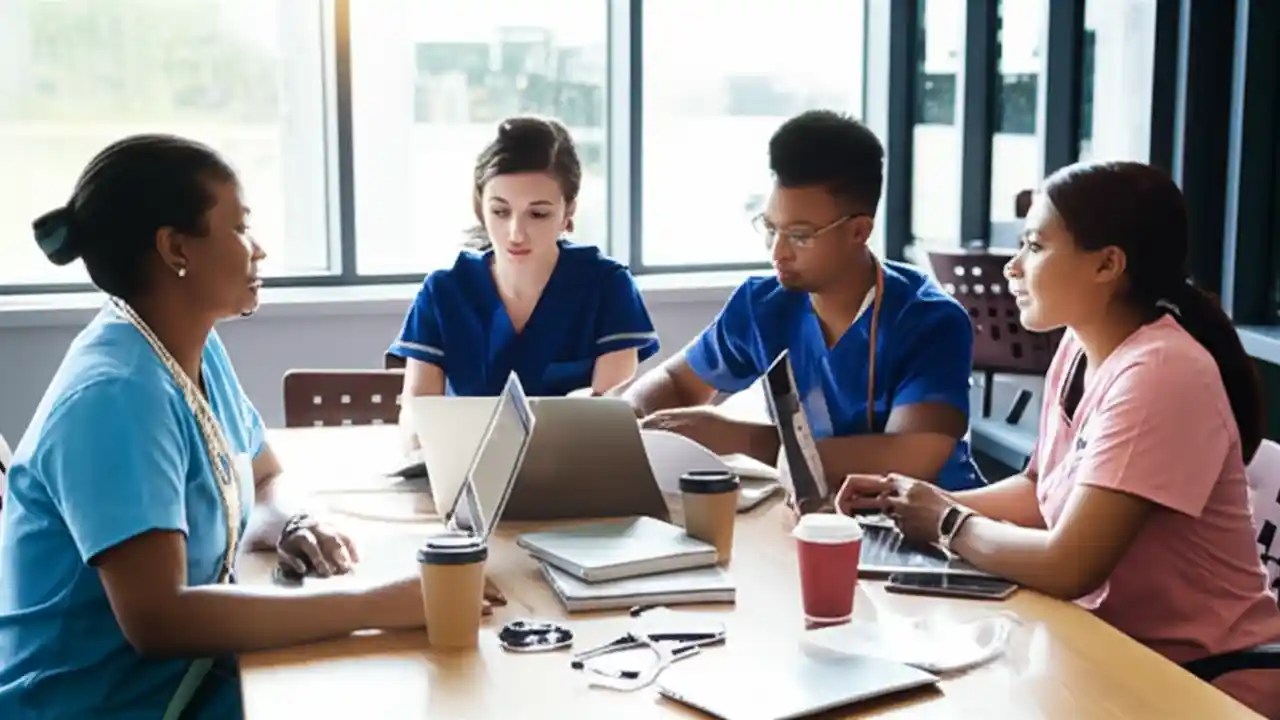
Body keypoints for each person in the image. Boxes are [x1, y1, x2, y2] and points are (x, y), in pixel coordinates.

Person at [0, 135, 491, 719]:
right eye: (239, 227)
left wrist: (291, 521)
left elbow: (263, 474)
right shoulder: (115, 396)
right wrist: (374, 605)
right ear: (175, 248)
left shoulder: (186, 343)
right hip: (105, 705)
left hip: (190, 680)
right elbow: (160, 620)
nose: (258, 249)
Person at [838, 161, 1280, 716]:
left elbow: (1071, 565)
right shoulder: (1078, 348)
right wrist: (911, 502)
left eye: (1034, 246)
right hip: (1112, 652)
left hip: (1204, 683)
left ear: (1107, 264)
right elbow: (1040, 493)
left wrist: (947, 522)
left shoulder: (1162, 372)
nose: (1012, 267)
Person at [622, 110, 981, 494]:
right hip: (811, 508)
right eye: (771, 228)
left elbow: (912, 455)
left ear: (859, 231)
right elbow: (676, 381)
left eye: (800, 235)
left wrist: (745, 439)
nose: (778, 252)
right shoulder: (763, 304)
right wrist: (630, 422)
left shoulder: (929, 320)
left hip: (931, 519)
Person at [389, 115, 659, 418]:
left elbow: (609, 416)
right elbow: (417, 417)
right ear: (480, 206)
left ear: (568, 210)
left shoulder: (607, 286)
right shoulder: (443, 292)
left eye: (538, 214)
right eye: (500, 211)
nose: (516, 233)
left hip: (579, 449)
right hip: (462, 450)